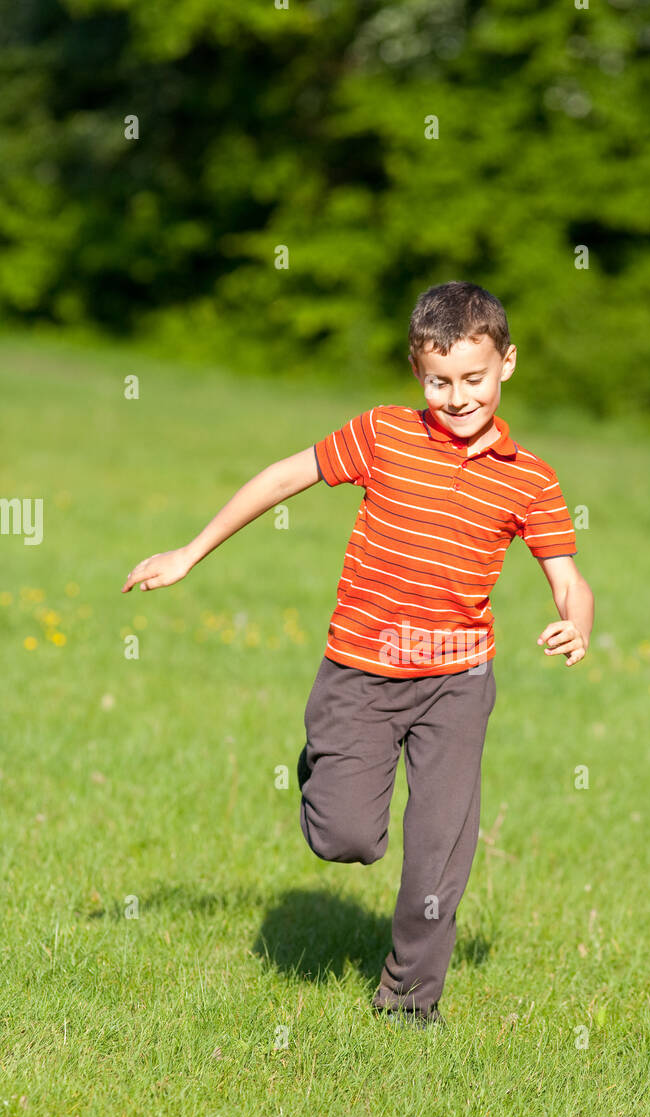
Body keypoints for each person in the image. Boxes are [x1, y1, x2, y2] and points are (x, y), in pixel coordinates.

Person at [122, 281, 595, 1029]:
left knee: (440, 847)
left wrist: (577, 623)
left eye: (474, 378)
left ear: (508, 363)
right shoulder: (382, 434)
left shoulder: (529, 477)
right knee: (346, 837)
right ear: (417, 372)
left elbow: (569, 579)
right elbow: (286, 476)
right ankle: (333, 766)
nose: (458, 396)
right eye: (439, 381)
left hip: (459, 680)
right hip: (360, 670)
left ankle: (409, 1000)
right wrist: (190, 551)